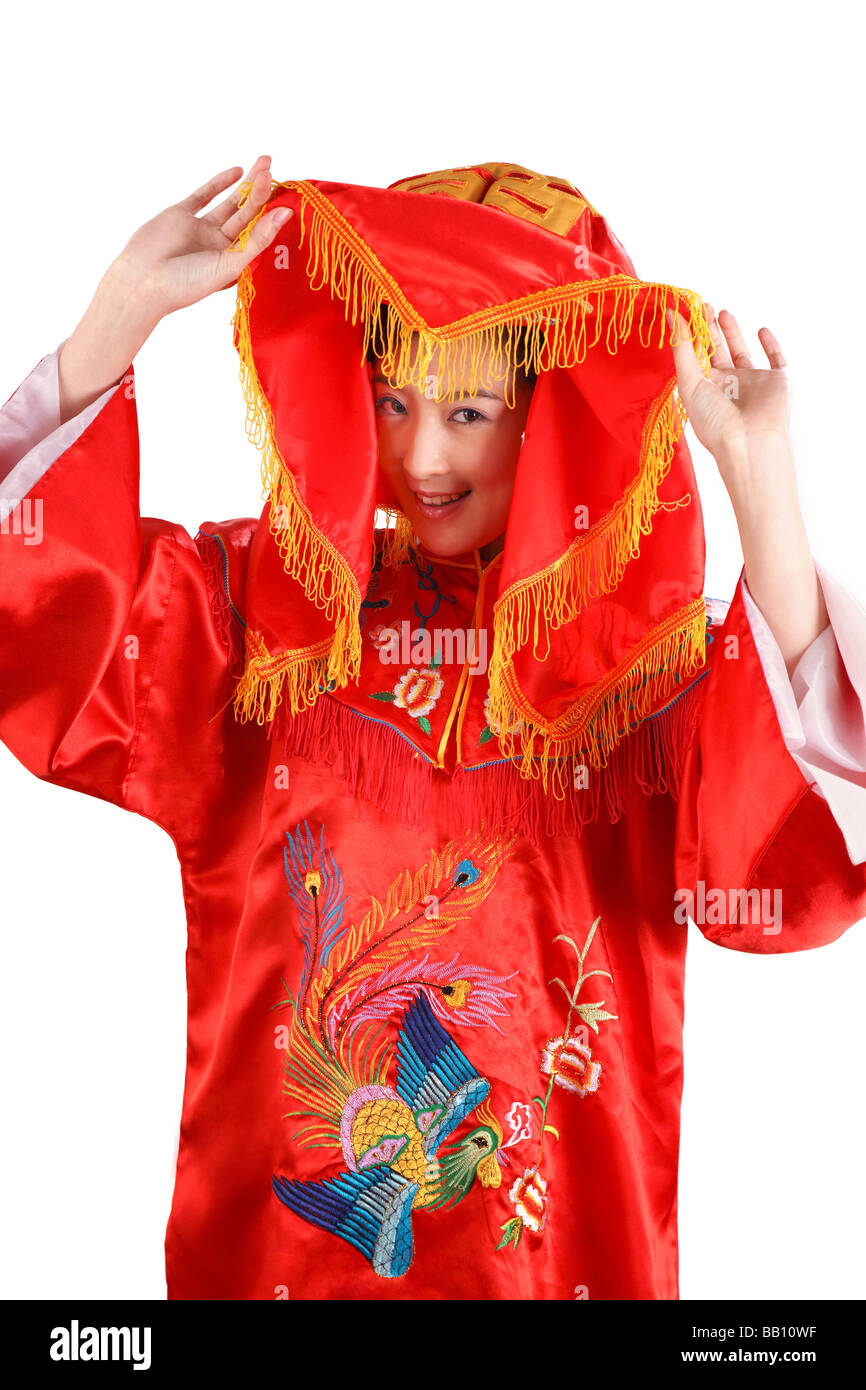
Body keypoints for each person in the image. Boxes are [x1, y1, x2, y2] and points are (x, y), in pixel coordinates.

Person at [1, 155, 865, 1300]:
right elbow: (46, 628)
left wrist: (763, 487)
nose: (421, 457)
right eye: (394, 399)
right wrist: (109, 328)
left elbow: (791, 881)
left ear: (548, 411)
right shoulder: (264, 630)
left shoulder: (641, 680)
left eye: (469, 412)